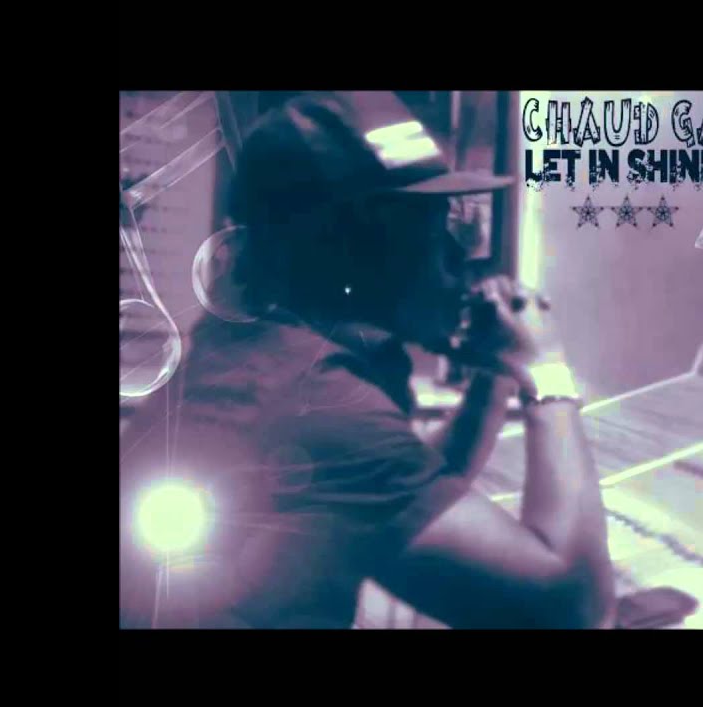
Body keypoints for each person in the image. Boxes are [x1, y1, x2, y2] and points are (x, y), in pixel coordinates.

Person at [119, 92, 615, 629]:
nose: (458, 256)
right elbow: (571, 607)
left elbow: (410, 496)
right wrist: (547, 371)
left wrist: (492, 379)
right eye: (435, 227)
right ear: (361, 247)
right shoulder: (318, 403)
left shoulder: (254, 348)